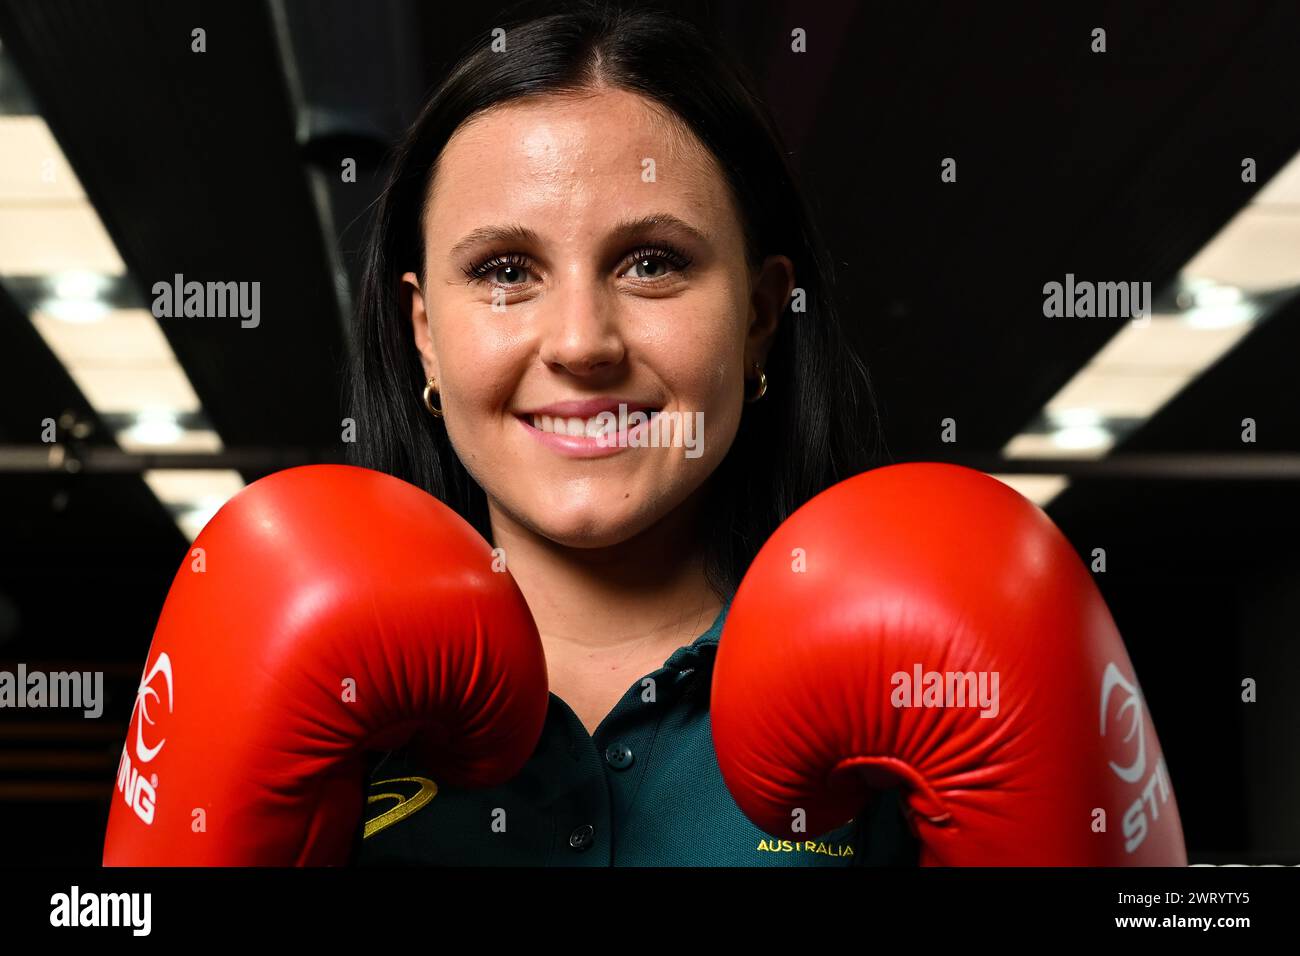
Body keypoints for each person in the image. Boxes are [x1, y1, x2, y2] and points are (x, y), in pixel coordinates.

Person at [343, 2, 908, 865]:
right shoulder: (330, 707)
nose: (581, 344)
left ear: (760, 316)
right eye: (504, 270)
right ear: (424, 330)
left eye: (652, 262)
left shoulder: (904, 687)